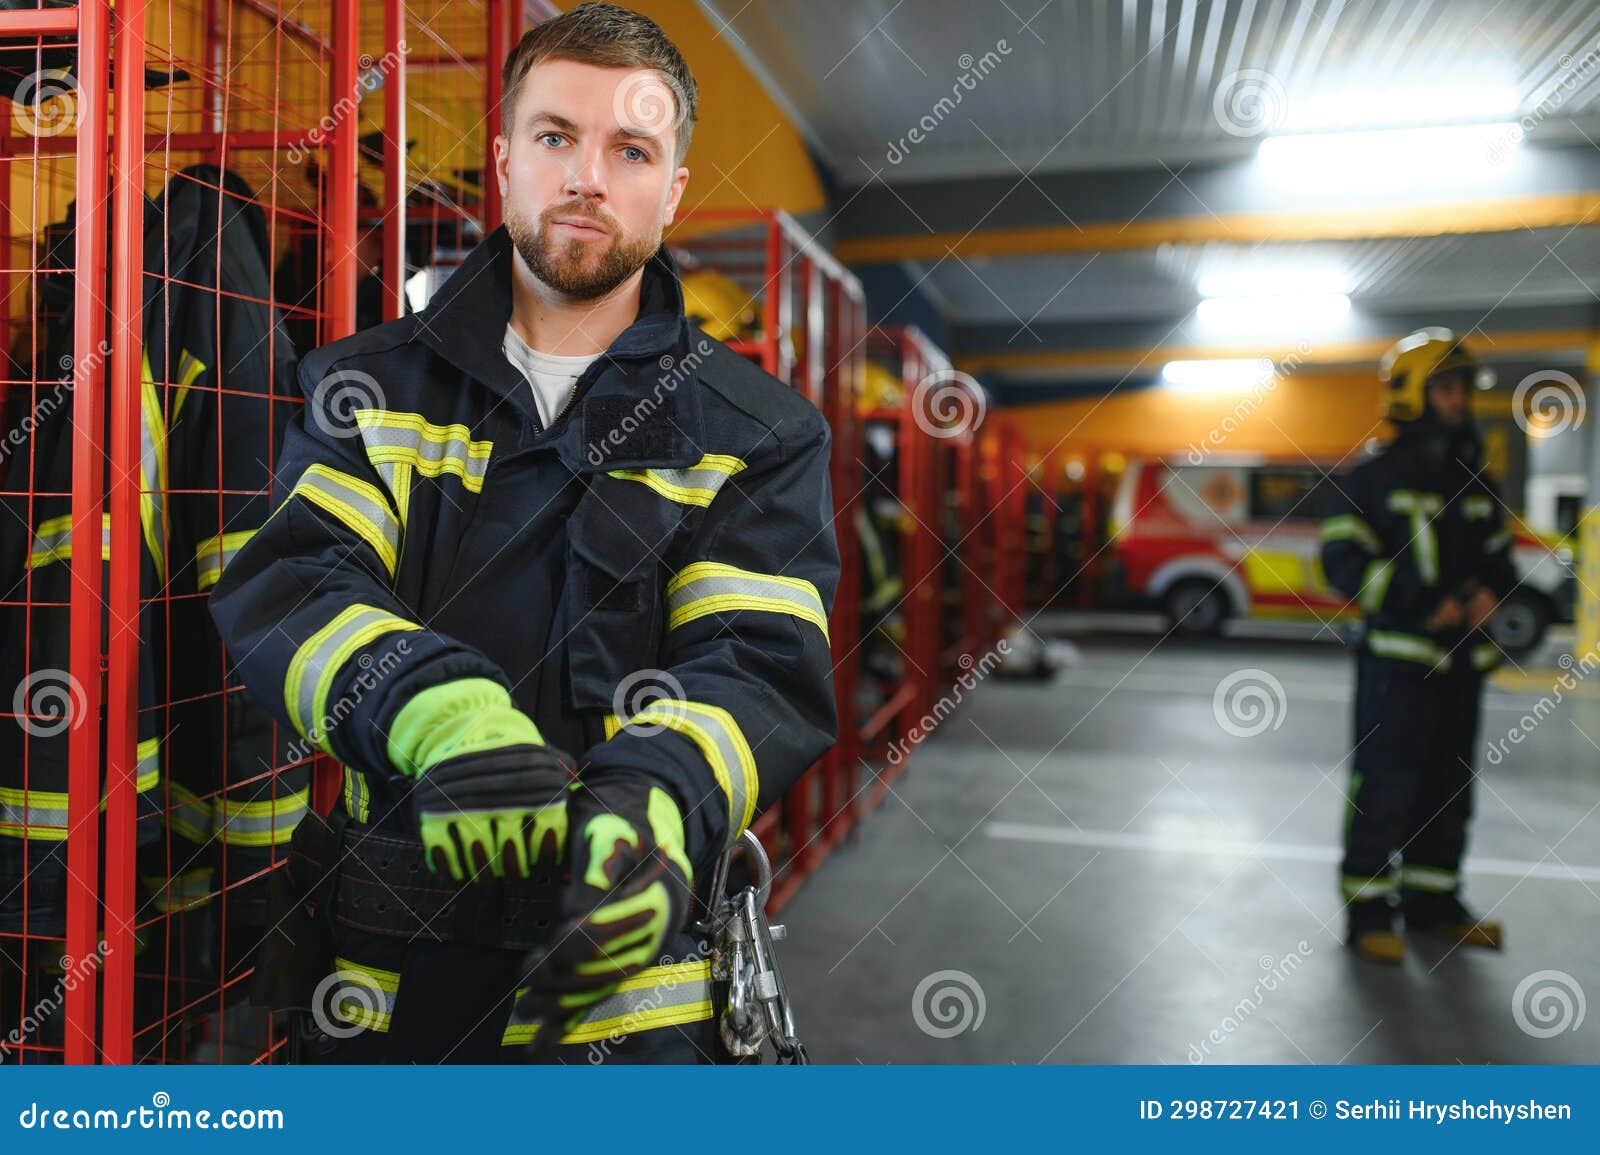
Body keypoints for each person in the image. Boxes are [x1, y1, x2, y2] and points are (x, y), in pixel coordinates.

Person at [209, 2, 840, 1062]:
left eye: (629, 149)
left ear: (671, 190)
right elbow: (297, 588)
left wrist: (653, 809)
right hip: (386, 994)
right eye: (556, 137)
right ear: (504, 160)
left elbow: (759, 669)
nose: (587, 177)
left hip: (626, 1007)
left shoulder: (756, 434)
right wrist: (442, 716)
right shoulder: (363, 389)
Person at [1319, 328, 1514, 965]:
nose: (1460, 401)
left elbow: (1499, 560)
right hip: (1398, 669)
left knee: (1449, 789)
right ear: (1413, 393)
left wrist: (1489, 592)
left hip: (1462, 666)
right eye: (1448, 387)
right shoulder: (1372, 478)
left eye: (1463, 389)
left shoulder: (1476, 479)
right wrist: (1421, 602)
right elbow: (1341, 562)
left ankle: (1434, 903)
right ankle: (1369, 908)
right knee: (1387, 784)